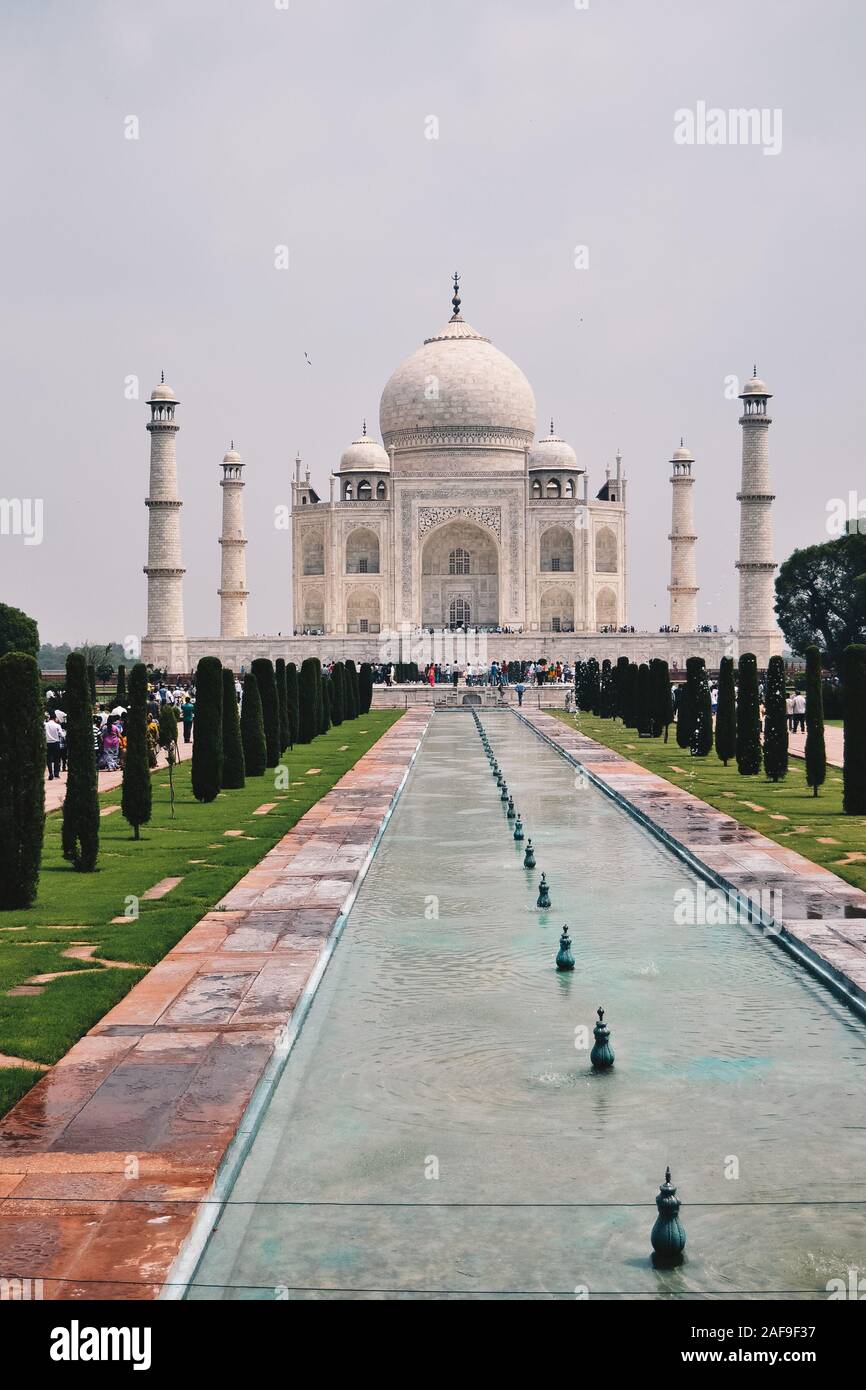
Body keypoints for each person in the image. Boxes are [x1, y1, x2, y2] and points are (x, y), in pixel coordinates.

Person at [45, 712, 64, 780]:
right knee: (57, 759)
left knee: (49, 759)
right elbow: (62, 735)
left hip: (47, 743)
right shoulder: (57, 725)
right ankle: (56, 773)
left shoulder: (45, 725)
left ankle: (50, 773)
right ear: (55, 718)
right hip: (56, 743)